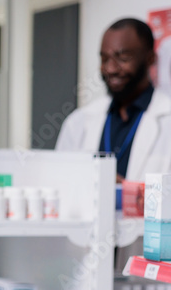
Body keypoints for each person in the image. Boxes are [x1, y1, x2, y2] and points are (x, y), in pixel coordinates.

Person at [56, 18, 171, 180]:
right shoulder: (79, 121)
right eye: (104, 59)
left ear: (150, 59)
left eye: (123, 58)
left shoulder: (166, 119)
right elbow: (60, 183)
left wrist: (128, 191)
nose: (110, 69)